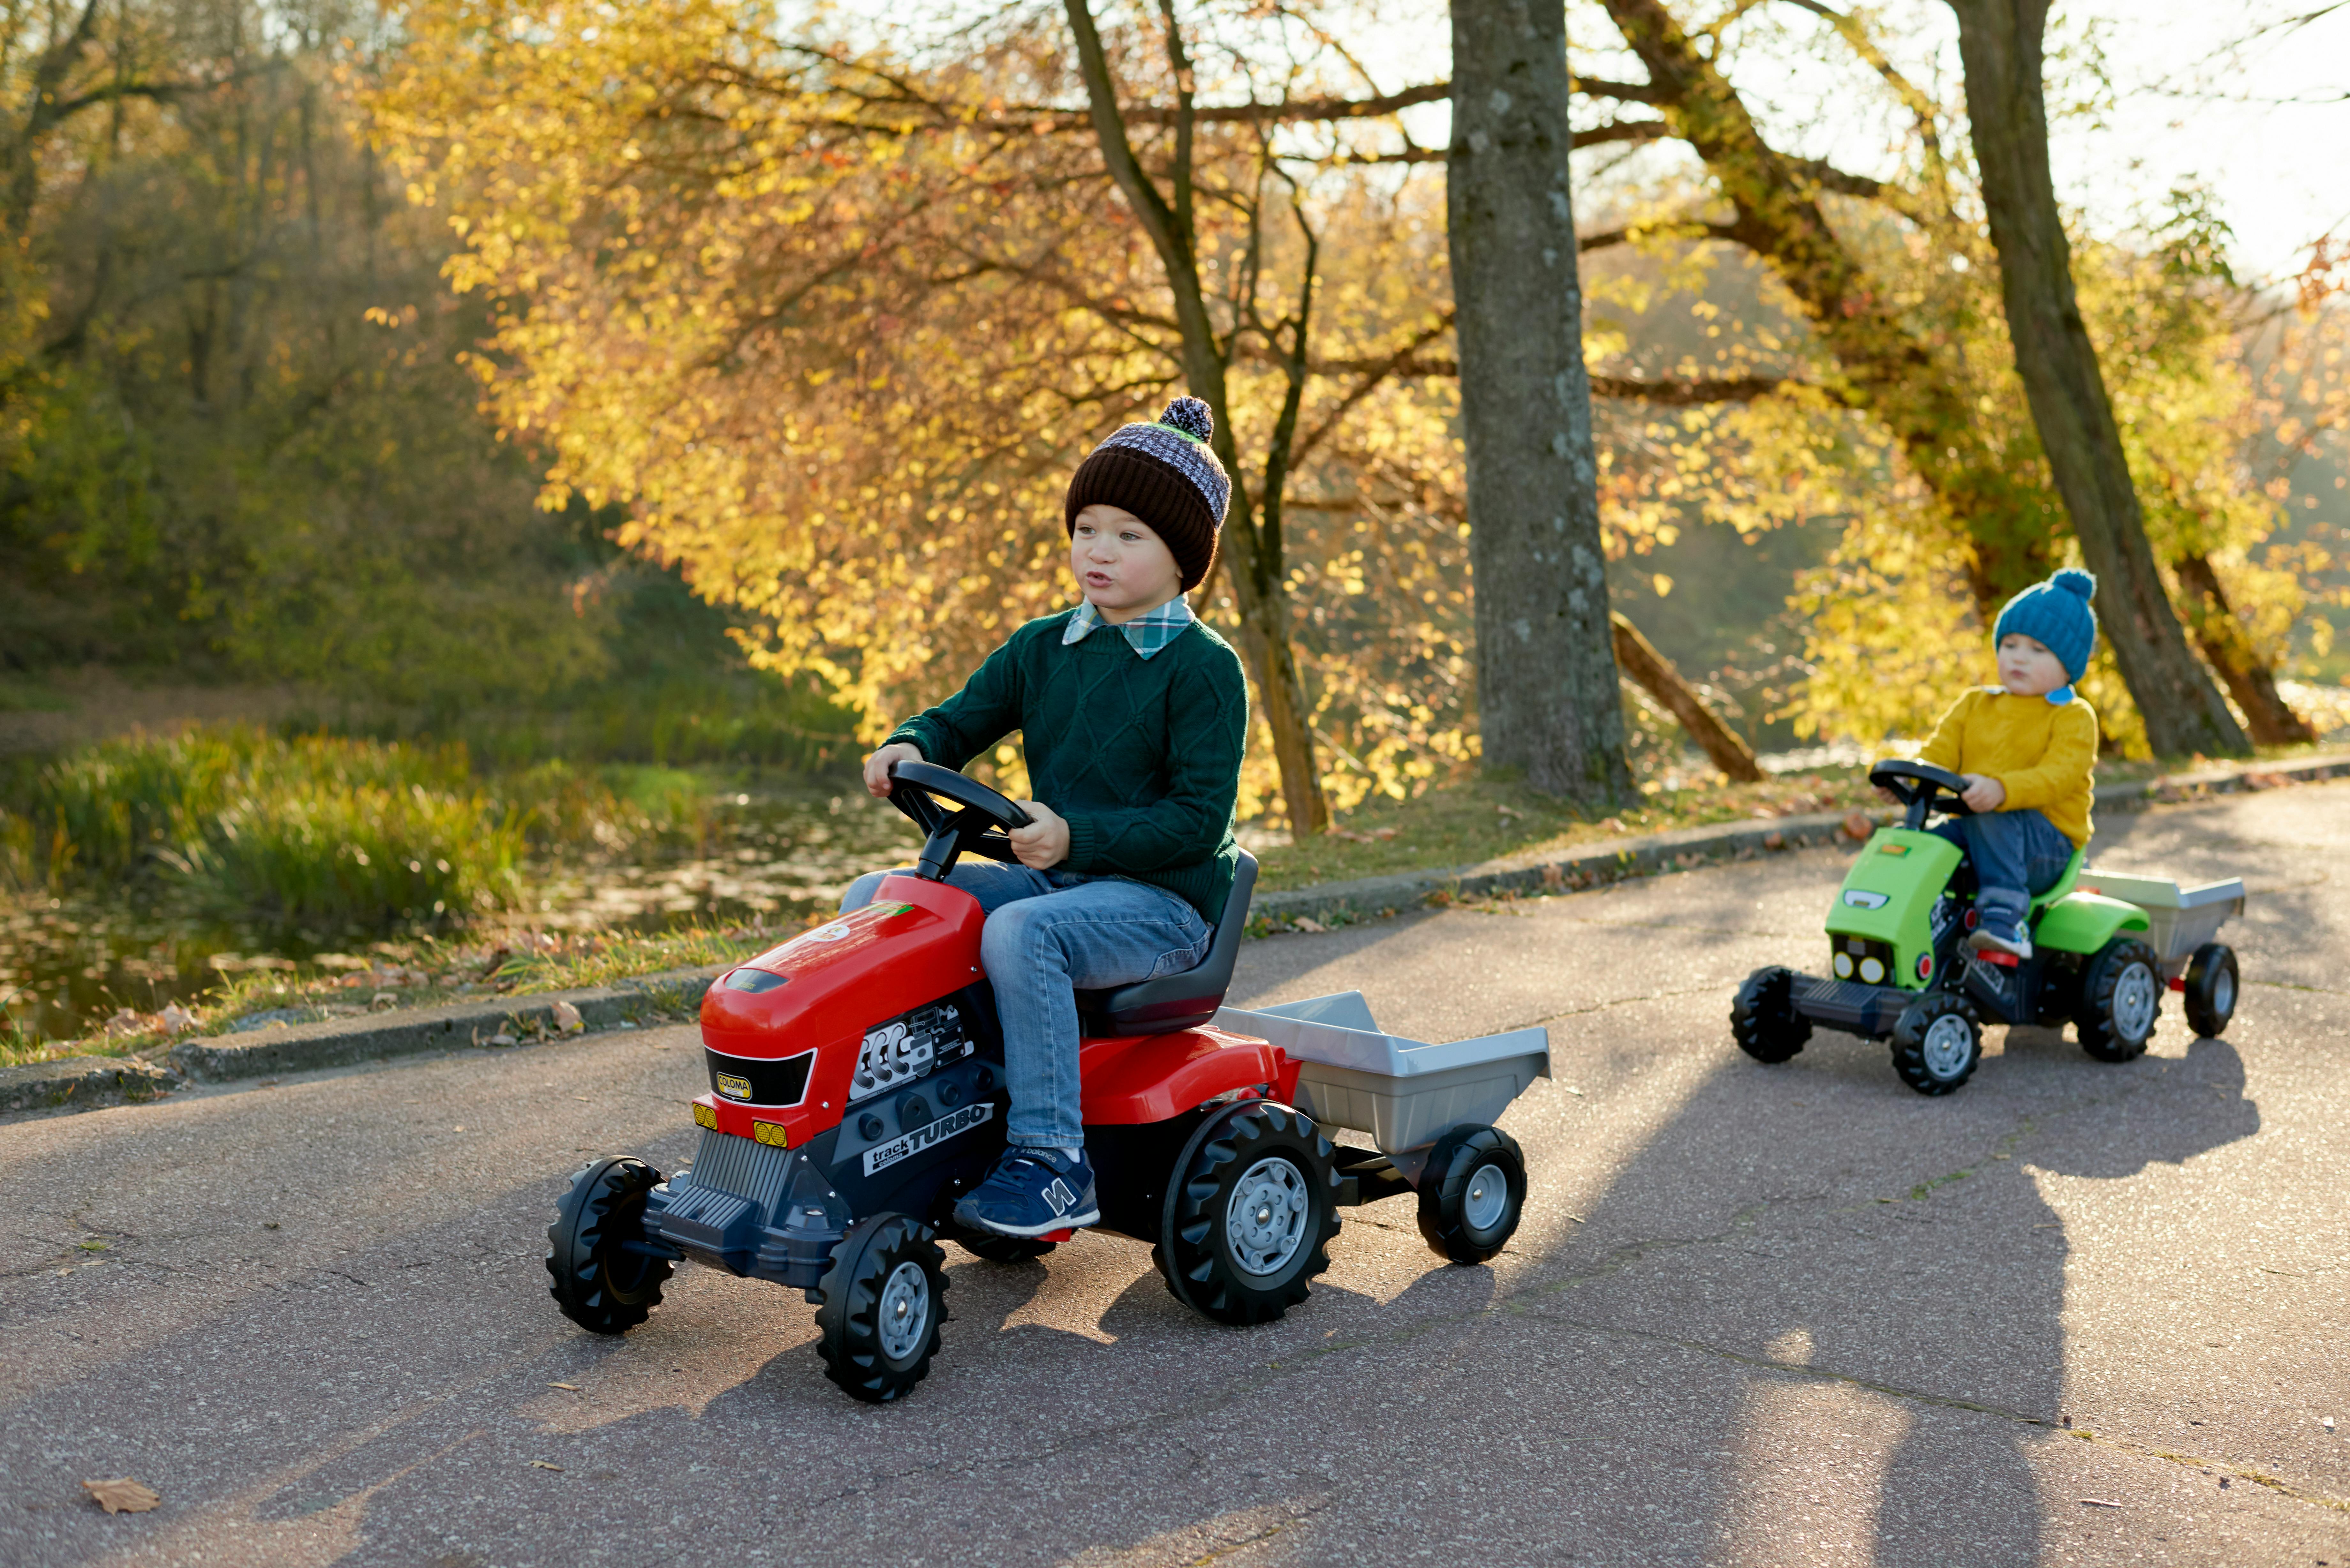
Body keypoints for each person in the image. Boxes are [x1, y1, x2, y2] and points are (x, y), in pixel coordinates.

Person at [841, 396, 1248, 1239]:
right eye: (1087, 527)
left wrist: (1076, 834)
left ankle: (1052, 1158)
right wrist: (905, 742)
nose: (1098, 550)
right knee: (881, 902)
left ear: (1182, 559)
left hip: (1164, 908)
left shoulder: (1204, 670)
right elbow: (957, 721)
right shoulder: (1041, 649)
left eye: (1129, 535)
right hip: (1057, 878)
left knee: (1026, 933)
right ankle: (889, 1119)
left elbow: (1197, 823)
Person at [1910, 567, 2101, 960]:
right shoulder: (1975, 704)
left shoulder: (2073, 716)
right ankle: (1907, 921)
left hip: (2047, 846)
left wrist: (2001, 790)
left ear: (2068, 666)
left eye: (2038, 650)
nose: (2019, 658)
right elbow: (1937, 754)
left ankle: (2006, 917)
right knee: (1916, 845)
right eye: (2010, 645)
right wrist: (1909, 777)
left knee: (1991, 815)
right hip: (1976, 825)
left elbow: (2058, 778)